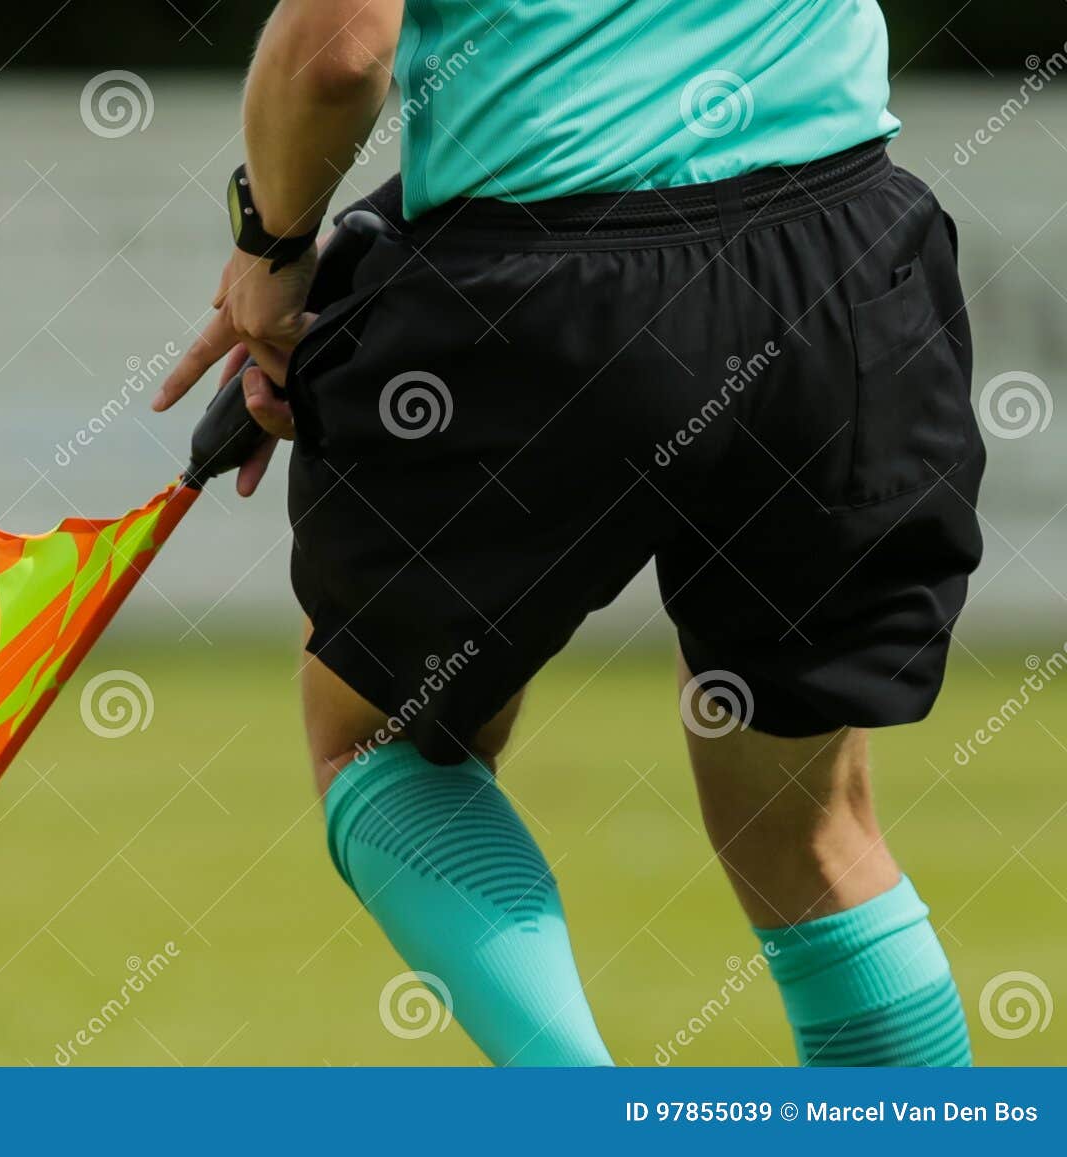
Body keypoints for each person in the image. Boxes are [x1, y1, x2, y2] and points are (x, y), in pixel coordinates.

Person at [153, 0, 982, 1067]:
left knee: (382, 736)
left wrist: (273, 244)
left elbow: (338, 50)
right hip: (844, 263)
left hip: (542, 284)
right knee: (811, 832)